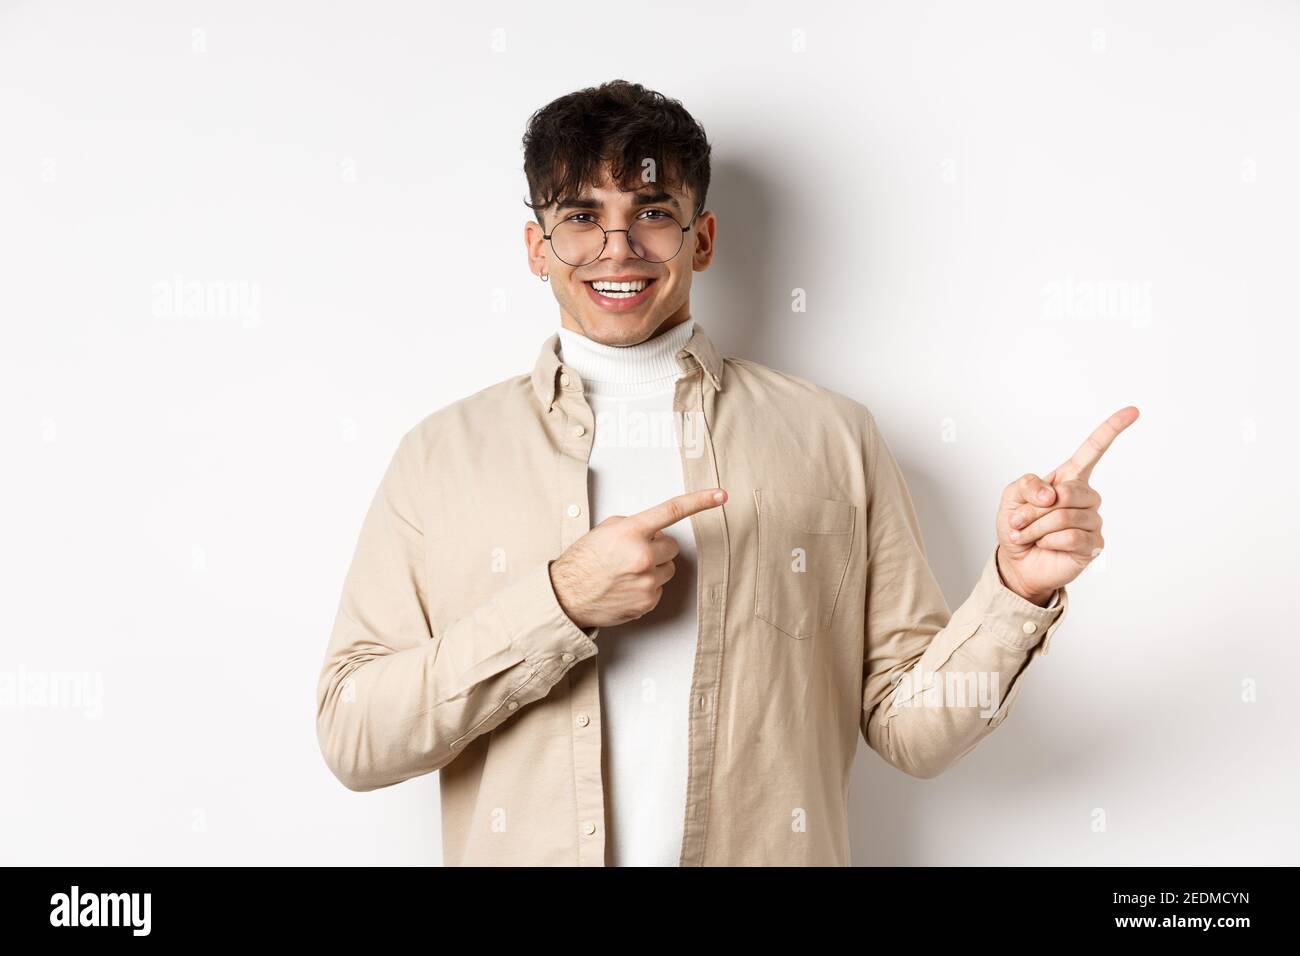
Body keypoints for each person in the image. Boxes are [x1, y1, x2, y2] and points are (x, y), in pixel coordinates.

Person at [315, 79, 1138, 866]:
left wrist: (1014, 592)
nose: (618, 249)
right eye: (580, 218)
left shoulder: (832, 437)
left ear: (701, 239)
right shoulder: (439, 456)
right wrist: (558, 601)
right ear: (537, 246)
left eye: (653, 214)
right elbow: (354, 736)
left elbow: (912, 733)